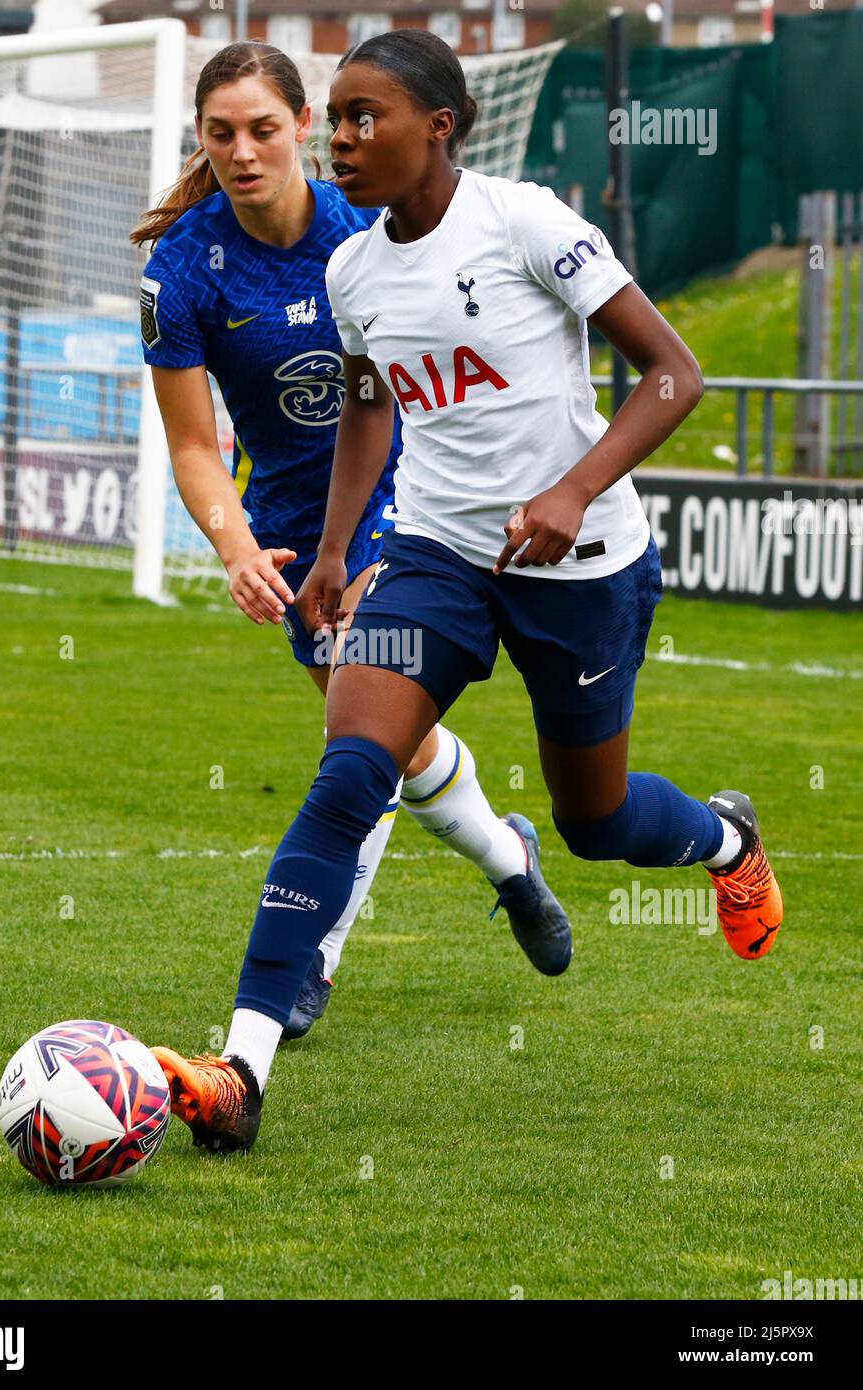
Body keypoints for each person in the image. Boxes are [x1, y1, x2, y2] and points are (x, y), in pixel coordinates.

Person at [151, 28, 782, 1156]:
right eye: (334, 118)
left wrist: (574, 491)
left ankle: (726, 842)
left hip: (583, 566)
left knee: (596, 822)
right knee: (352, 768)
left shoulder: (526, 220)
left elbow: (676, 371)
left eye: (362, 118)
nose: (338, 140)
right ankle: (240, 1066)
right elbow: (368, 406)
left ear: (438, 126)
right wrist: (338, 548)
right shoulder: (352, 270)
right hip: (434, 555)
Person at [133, 42, 570, 1047]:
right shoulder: (181, 273)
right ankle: (509, 856)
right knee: (394, 743)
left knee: (354, 719)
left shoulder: (367, 223)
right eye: (221, 134)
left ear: (303, 128)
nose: (244, 151)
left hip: (410, 496)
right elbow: (196, 447)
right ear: (202, 141)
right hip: (292, 529)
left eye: (265, 129)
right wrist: (236, 547)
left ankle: (305, 967)